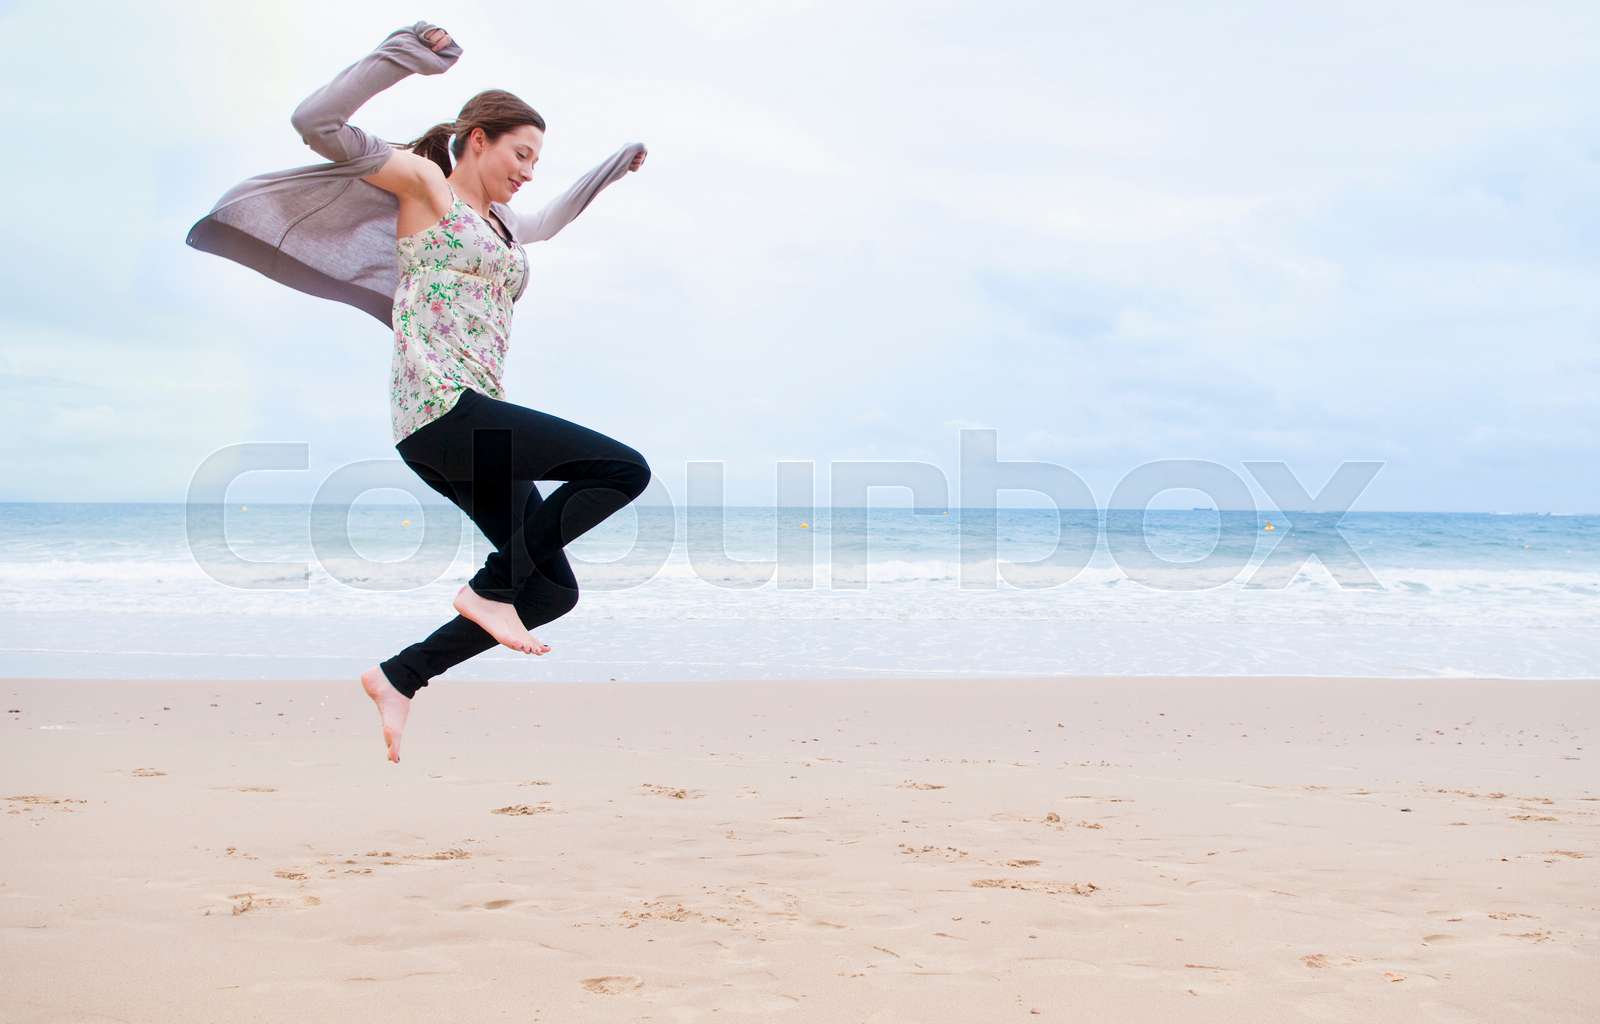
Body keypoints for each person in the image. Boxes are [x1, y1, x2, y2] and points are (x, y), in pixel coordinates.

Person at [188, 21, 652, 763]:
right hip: (443, 409)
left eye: (538, 160)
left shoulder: (502, 225)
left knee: (551, 592)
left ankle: (401, 676)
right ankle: (488, 587)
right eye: (520, 153)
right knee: (622, 469)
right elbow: (317, 123)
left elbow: (551, 220)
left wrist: (613, 167)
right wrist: (406, 55)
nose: (529, 171)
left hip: (466, 424)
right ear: (476, 139)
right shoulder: (423, 184)